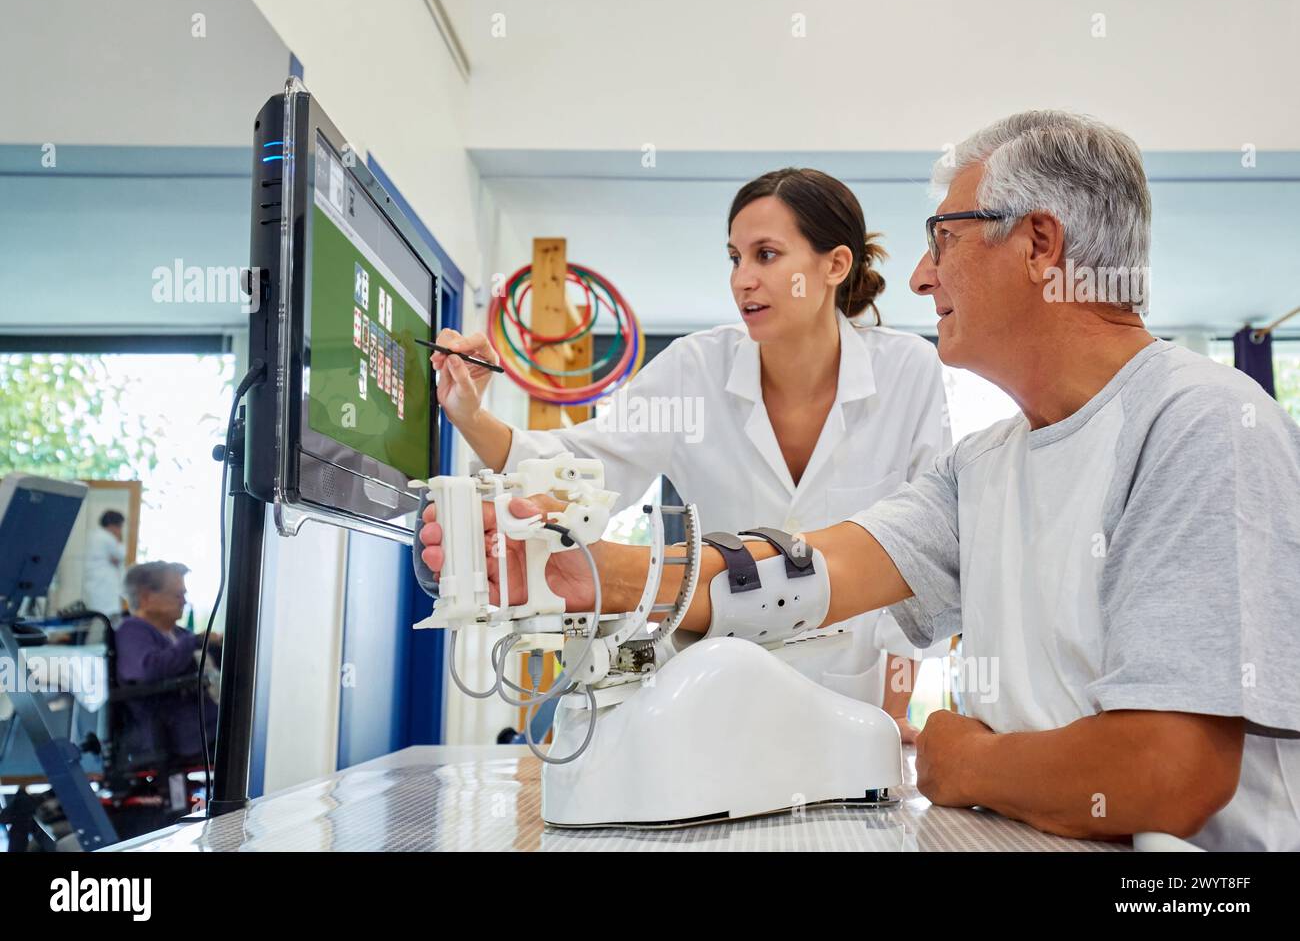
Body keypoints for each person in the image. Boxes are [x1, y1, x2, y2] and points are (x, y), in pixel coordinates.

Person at [420, 111, 1300, 850]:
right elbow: (810, 568)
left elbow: (1166, 772)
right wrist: (590, 574)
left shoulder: (1201, 421)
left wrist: (964, 761)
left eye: (944, 240)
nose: (920, 275)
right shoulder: (989, 463)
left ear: (1040, 243)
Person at [431, 168, 951, 739]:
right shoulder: (694, 370)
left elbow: (918, 557)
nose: (743, 280)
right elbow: (582, 465)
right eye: (735, 258)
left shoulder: (907, 372)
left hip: (854, 708)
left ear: (835, 265)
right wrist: (470, 415)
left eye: (766, 255)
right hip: (712, 701)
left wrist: (895, 712)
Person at [114, 561, 220, 763]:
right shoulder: (132, 631)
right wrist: (195, 642)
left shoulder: (178, 633)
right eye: (178, 595)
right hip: (174, 731)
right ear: (146, 597)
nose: (184, 601)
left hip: (202, 722)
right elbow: (148, 670)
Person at [82, 509, 127, 618]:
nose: (120, 530)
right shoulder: (106, 537)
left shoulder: (96, 536)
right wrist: (119, 539)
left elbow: (116, 558)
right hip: (103, 587)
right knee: (106, 619)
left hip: (99, 586)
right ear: (113, 525)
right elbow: (121, 554)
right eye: (120, 526)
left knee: (100, 618)